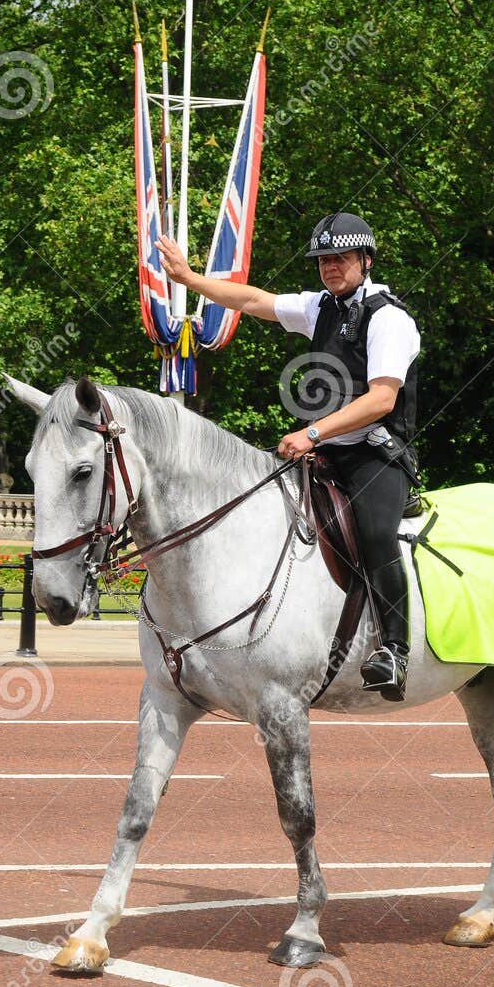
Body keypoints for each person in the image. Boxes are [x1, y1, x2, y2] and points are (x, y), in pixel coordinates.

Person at [156, 210, 421, 700]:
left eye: (340, 258)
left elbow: (382, 399)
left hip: (374, 456)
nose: (329, 267)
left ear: (366, 259)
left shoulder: (389, 318)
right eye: (323, 260)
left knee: (375, 533)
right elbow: (254, 299)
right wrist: (191, 279)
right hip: (324, 454)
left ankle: (395, 649)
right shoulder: (321, 307)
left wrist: (313, 433)